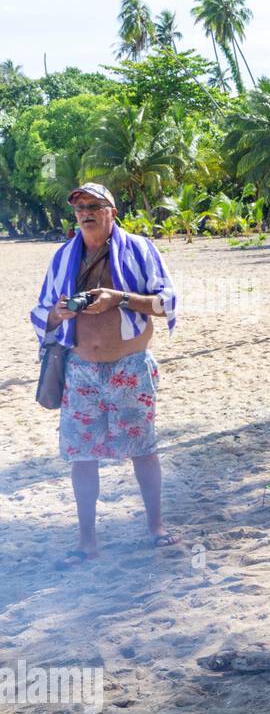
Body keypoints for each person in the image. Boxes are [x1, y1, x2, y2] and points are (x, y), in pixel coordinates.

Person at [30, 183, 180, 568]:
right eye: (79, 206)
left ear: (112, 210)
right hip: (79, 370)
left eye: (94, 205)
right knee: (82, 456)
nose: (85, 212)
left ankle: (156, 527)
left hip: (130, 366)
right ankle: (87, 542)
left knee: (144, 450)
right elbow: (41, 312)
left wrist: (121, 298)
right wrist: (57, 314)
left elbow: (166, 303)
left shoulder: (141, 250)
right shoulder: (64, 257)